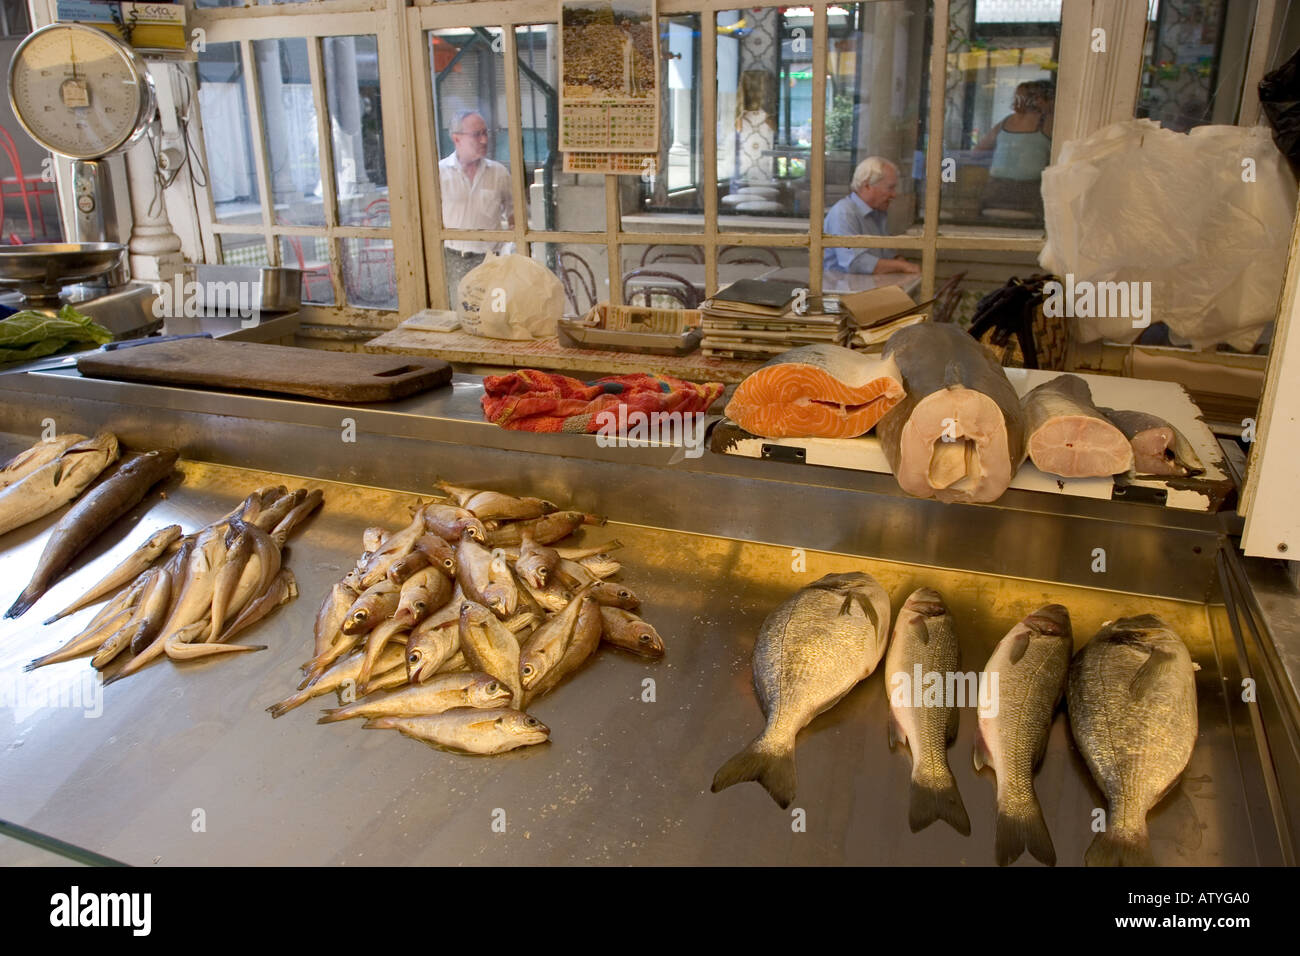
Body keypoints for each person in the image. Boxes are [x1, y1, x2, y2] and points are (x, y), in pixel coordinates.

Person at [439, 109, 514, 305]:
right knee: (457, 317)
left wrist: (509, 254)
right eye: (477, 134)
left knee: (494, 317)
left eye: (485, 133)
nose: (484, 140)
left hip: (491, 262)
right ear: (457, 139)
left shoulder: (498, 173)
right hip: (452, 261)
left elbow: (515, 216)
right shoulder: (438, 174)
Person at [822, 157, 919, 275]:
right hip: (843, 289)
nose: (894, 194)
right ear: (867, 185)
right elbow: (855, 263)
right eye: (890, 188)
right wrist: (902, 266)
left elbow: (888, 254)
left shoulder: (878, 213)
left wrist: (900, 262)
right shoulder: (844, 214)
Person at [976, 81, 1054, 220]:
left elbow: (978, 151)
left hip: (994, 192)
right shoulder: (1048, 122)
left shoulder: (1005, 122)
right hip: (1031, 194)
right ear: (1041, 99)